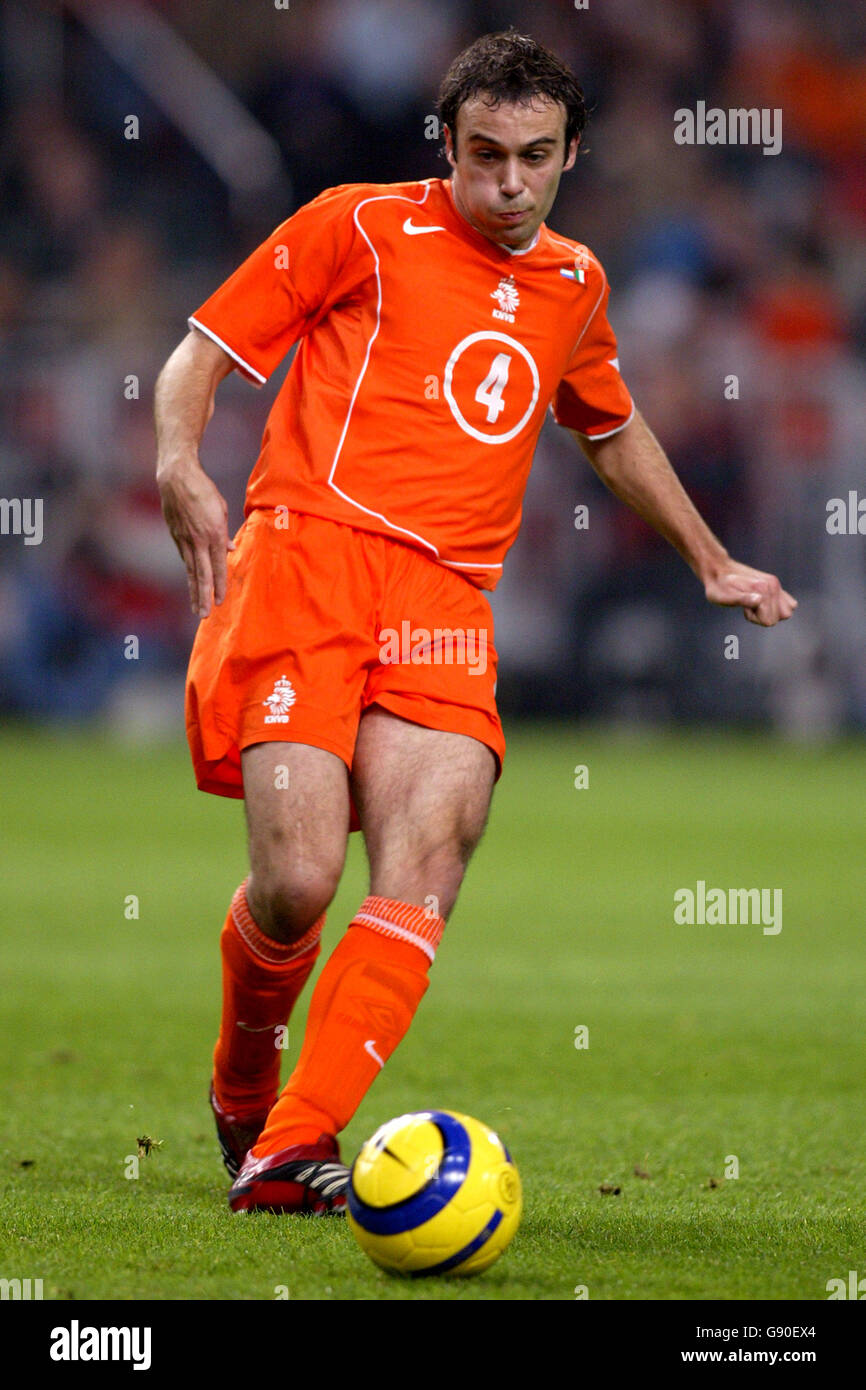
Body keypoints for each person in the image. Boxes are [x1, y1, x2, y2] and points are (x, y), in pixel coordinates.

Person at [154, 30, 796, 1215]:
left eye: (534, 159)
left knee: (426, 862)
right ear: (444, 146)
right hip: (309, 556)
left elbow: (604, 427)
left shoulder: (575, 283)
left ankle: (288, 1147)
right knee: (296, 882)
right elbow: (201, 349)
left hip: (447, 598)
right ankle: (244, 1072)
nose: (506, 184)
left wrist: (710, 559)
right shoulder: (358, 224)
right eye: (484, 155)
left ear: (568, 156)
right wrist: (178, 459)